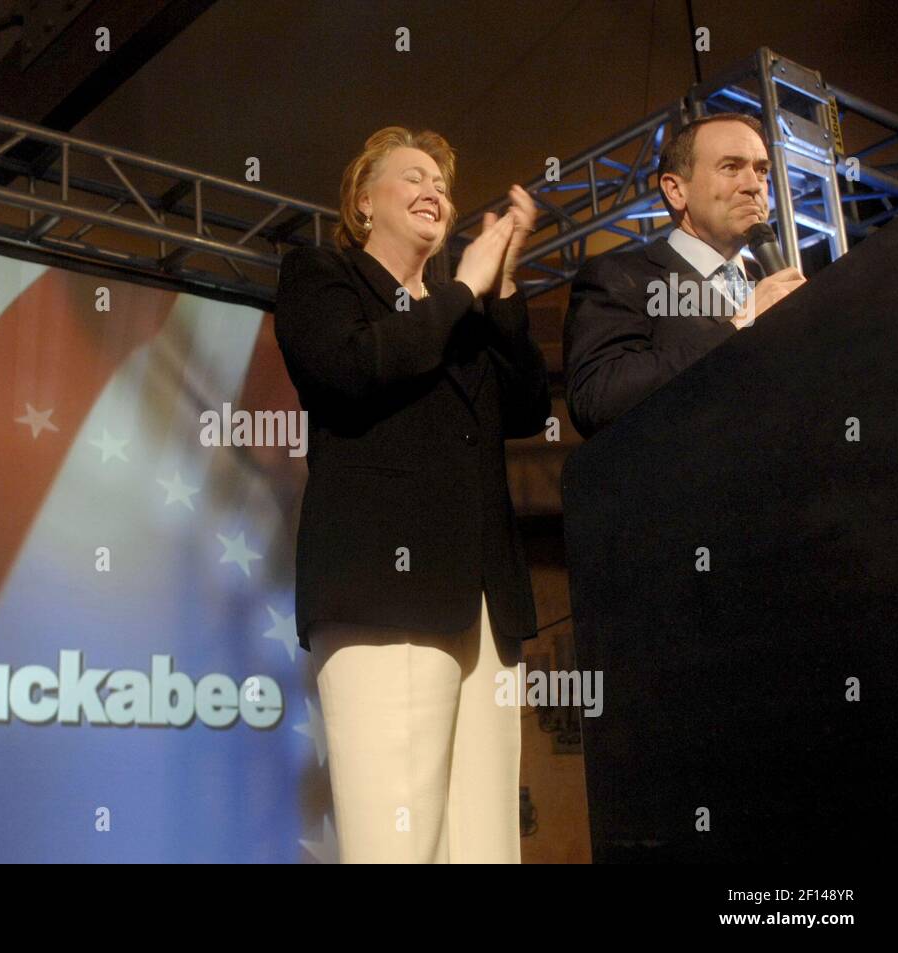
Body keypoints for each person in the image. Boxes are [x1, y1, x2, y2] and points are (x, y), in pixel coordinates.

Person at [273, 126, 550, 863]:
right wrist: (462, 289)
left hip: (485, 598)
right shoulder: (322, 276)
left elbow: (527, 408)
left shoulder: (462, 315)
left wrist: (506, 282)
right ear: (364, 203)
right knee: (399, 843)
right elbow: (354, 368)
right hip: (382, 593)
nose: (436, 191)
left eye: (443, 183)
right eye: (413, 177)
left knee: (486, 844)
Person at [564, 112, 807, 439]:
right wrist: (739, 326)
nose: (753, 185)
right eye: (731, 167)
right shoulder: (622, 277)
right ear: (676, 190)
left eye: (761, 170)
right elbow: (598, 399)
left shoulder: (766, 287)